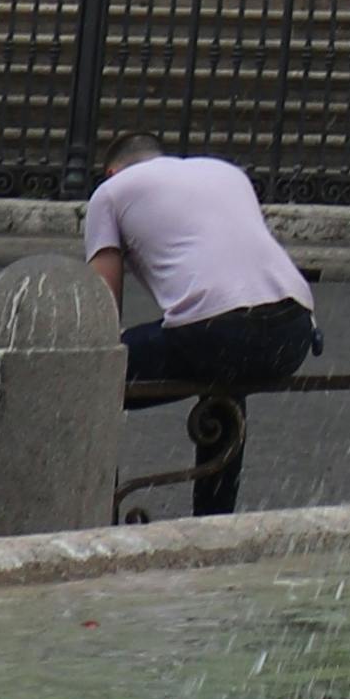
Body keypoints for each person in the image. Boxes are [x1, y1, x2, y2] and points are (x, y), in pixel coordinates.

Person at [81, 135, 321, 513]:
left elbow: (102, 313)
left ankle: (95, 516)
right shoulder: (226, 172)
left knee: (92, 382)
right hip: (294, 333)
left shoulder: (110, 193)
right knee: (226, 383)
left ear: (111, 172)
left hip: (219, 334)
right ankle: (213, 519)